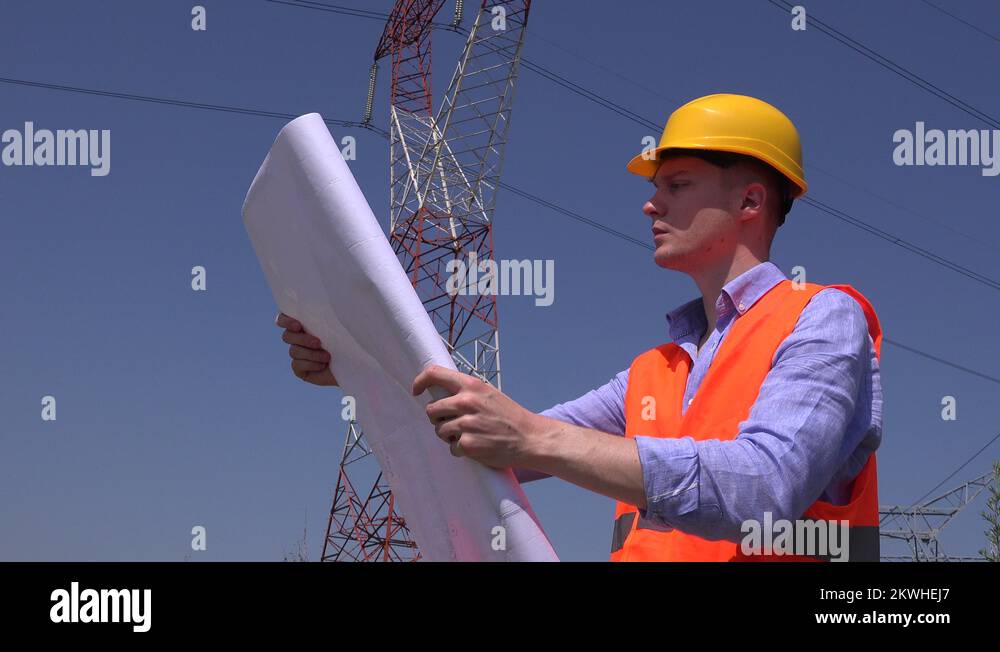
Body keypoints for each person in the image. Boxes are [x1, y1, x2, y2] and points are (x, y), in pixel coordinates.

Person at [276, 93, 883, 562]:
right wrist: (360, 360)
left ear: (750, 203)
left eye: (676, 185)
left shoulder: (823, 318)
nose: (651, 204)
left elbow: (766, 486)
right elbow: (490, 439)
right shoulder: (652, 374)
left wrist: (534, 438)